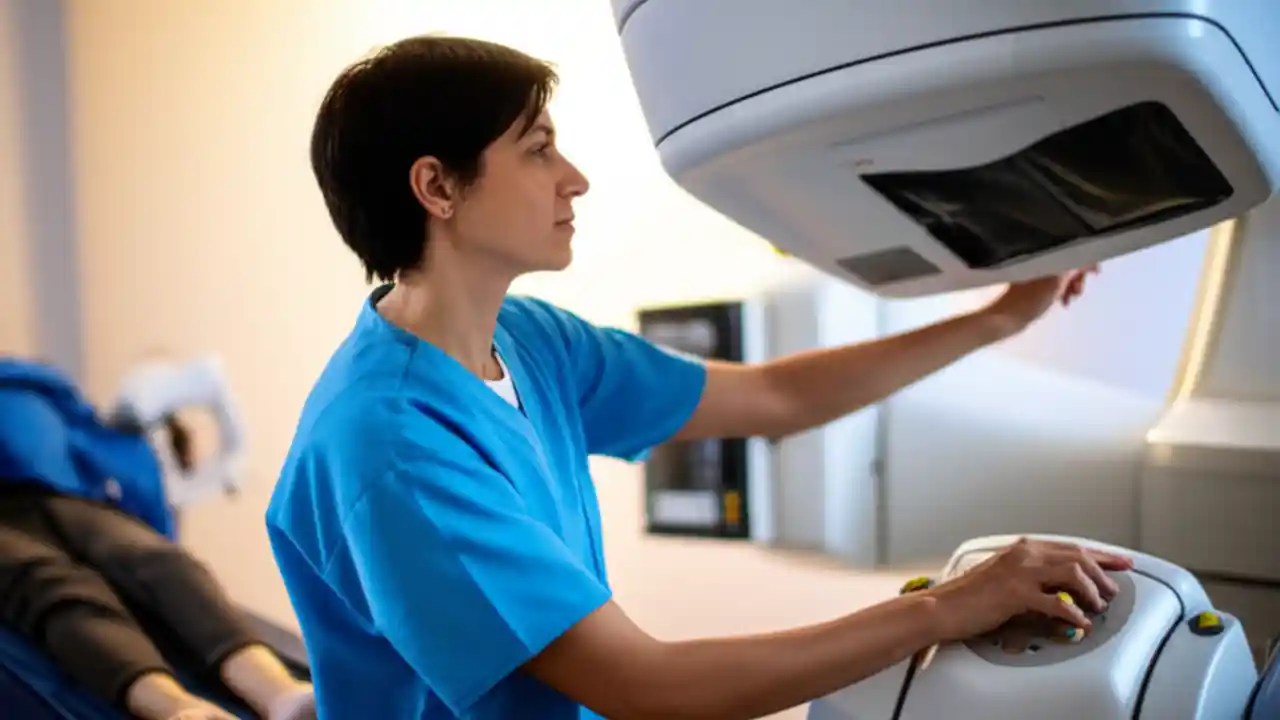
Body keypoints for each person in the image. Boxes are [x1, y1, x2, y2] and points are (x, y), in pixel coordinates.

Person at [266, 35, 1131, 720]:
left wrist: (998, 318)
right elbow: (645, 685)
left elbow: (774, 398)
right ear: (437, 187)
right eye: (538, 150)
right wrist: (948, 609)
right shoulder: (391, 450)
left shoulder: (528, 340)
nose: (576, 178)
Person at [0, 357, 316, 720]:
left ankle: (282, 694)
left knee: (159, 560)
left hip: (63, 493)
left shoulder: (29, 383)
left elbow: (89, 439)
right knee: (49, 583)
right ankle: (176, 707)